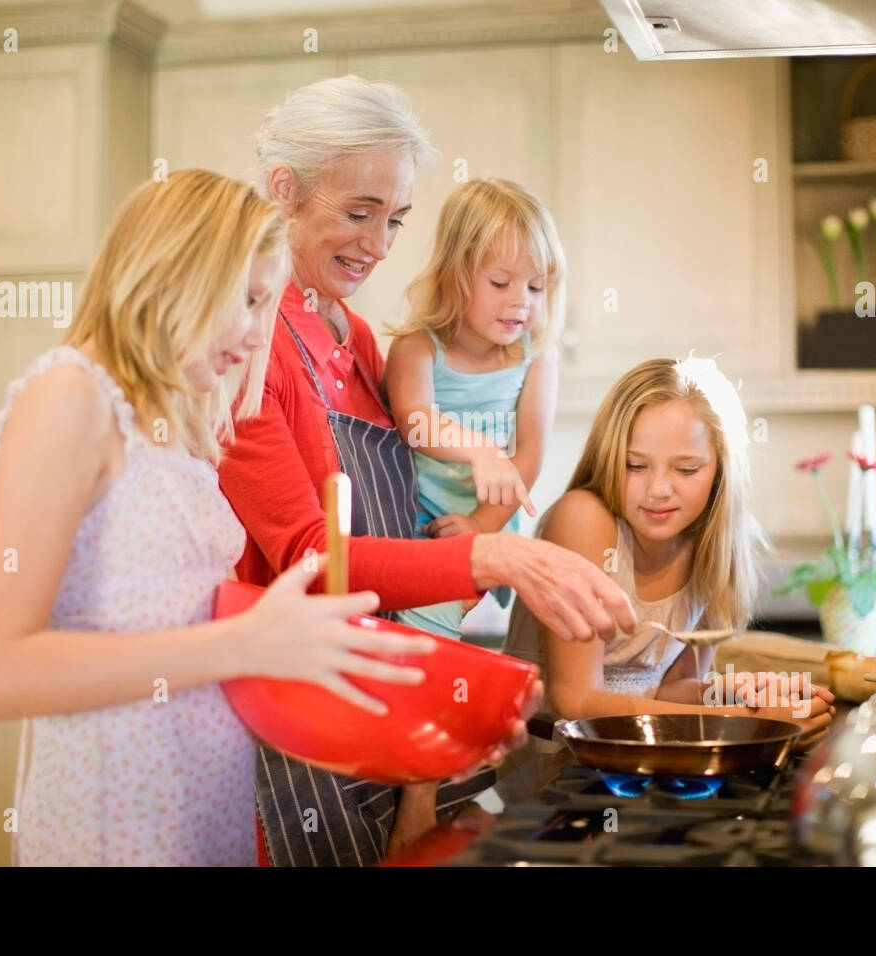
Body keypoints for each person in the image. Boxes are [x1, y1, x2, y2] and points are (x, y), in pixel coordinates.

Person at [0, 169, 436, 866]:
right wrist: (245, 642)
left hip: (201, 809)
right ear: (177, 271)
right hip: (112, 820)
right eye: (245, 300)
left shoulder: (176, 422)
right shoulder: (70, 397)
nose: (252, 338)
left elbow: (175, 629)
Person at [218, 75, 636, 866]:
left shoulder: (359, 339)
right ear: (284, 190)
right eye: (358, 212)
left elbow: (399, 517)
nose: (378, 244)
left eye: (396, 219)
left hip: (374, 704)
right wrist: (490, 552)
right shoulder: (247, 340)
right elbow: (314, 558)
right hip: (294, 709)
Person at [504, 357, 835, 746]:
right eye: (636, 465)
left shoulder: (715, 546)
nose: (659, 489)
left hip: (643, 755)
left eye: (687, 470)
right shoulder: (583, 520)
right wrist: (744, 723)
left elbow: (668, 690)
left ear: (720, 471)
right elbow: (575, 701)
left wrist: (737, 692)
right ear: (610, 457)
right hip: (551, 764)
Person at [380, 177, 564, 849]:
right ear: (457, 275)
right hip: (421, 521)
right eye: (502, 282)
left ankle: (424, 797)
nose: (521, 303)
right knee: (425, 651)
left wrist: (484, 529)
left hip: (488, 524)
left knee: (443, 643)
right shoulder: (417, 348)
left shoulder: (532, 359)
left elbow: (534, 454)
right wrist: (478, 449)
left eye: (536, 288)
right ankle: (436, 788)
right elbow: (417, 423)